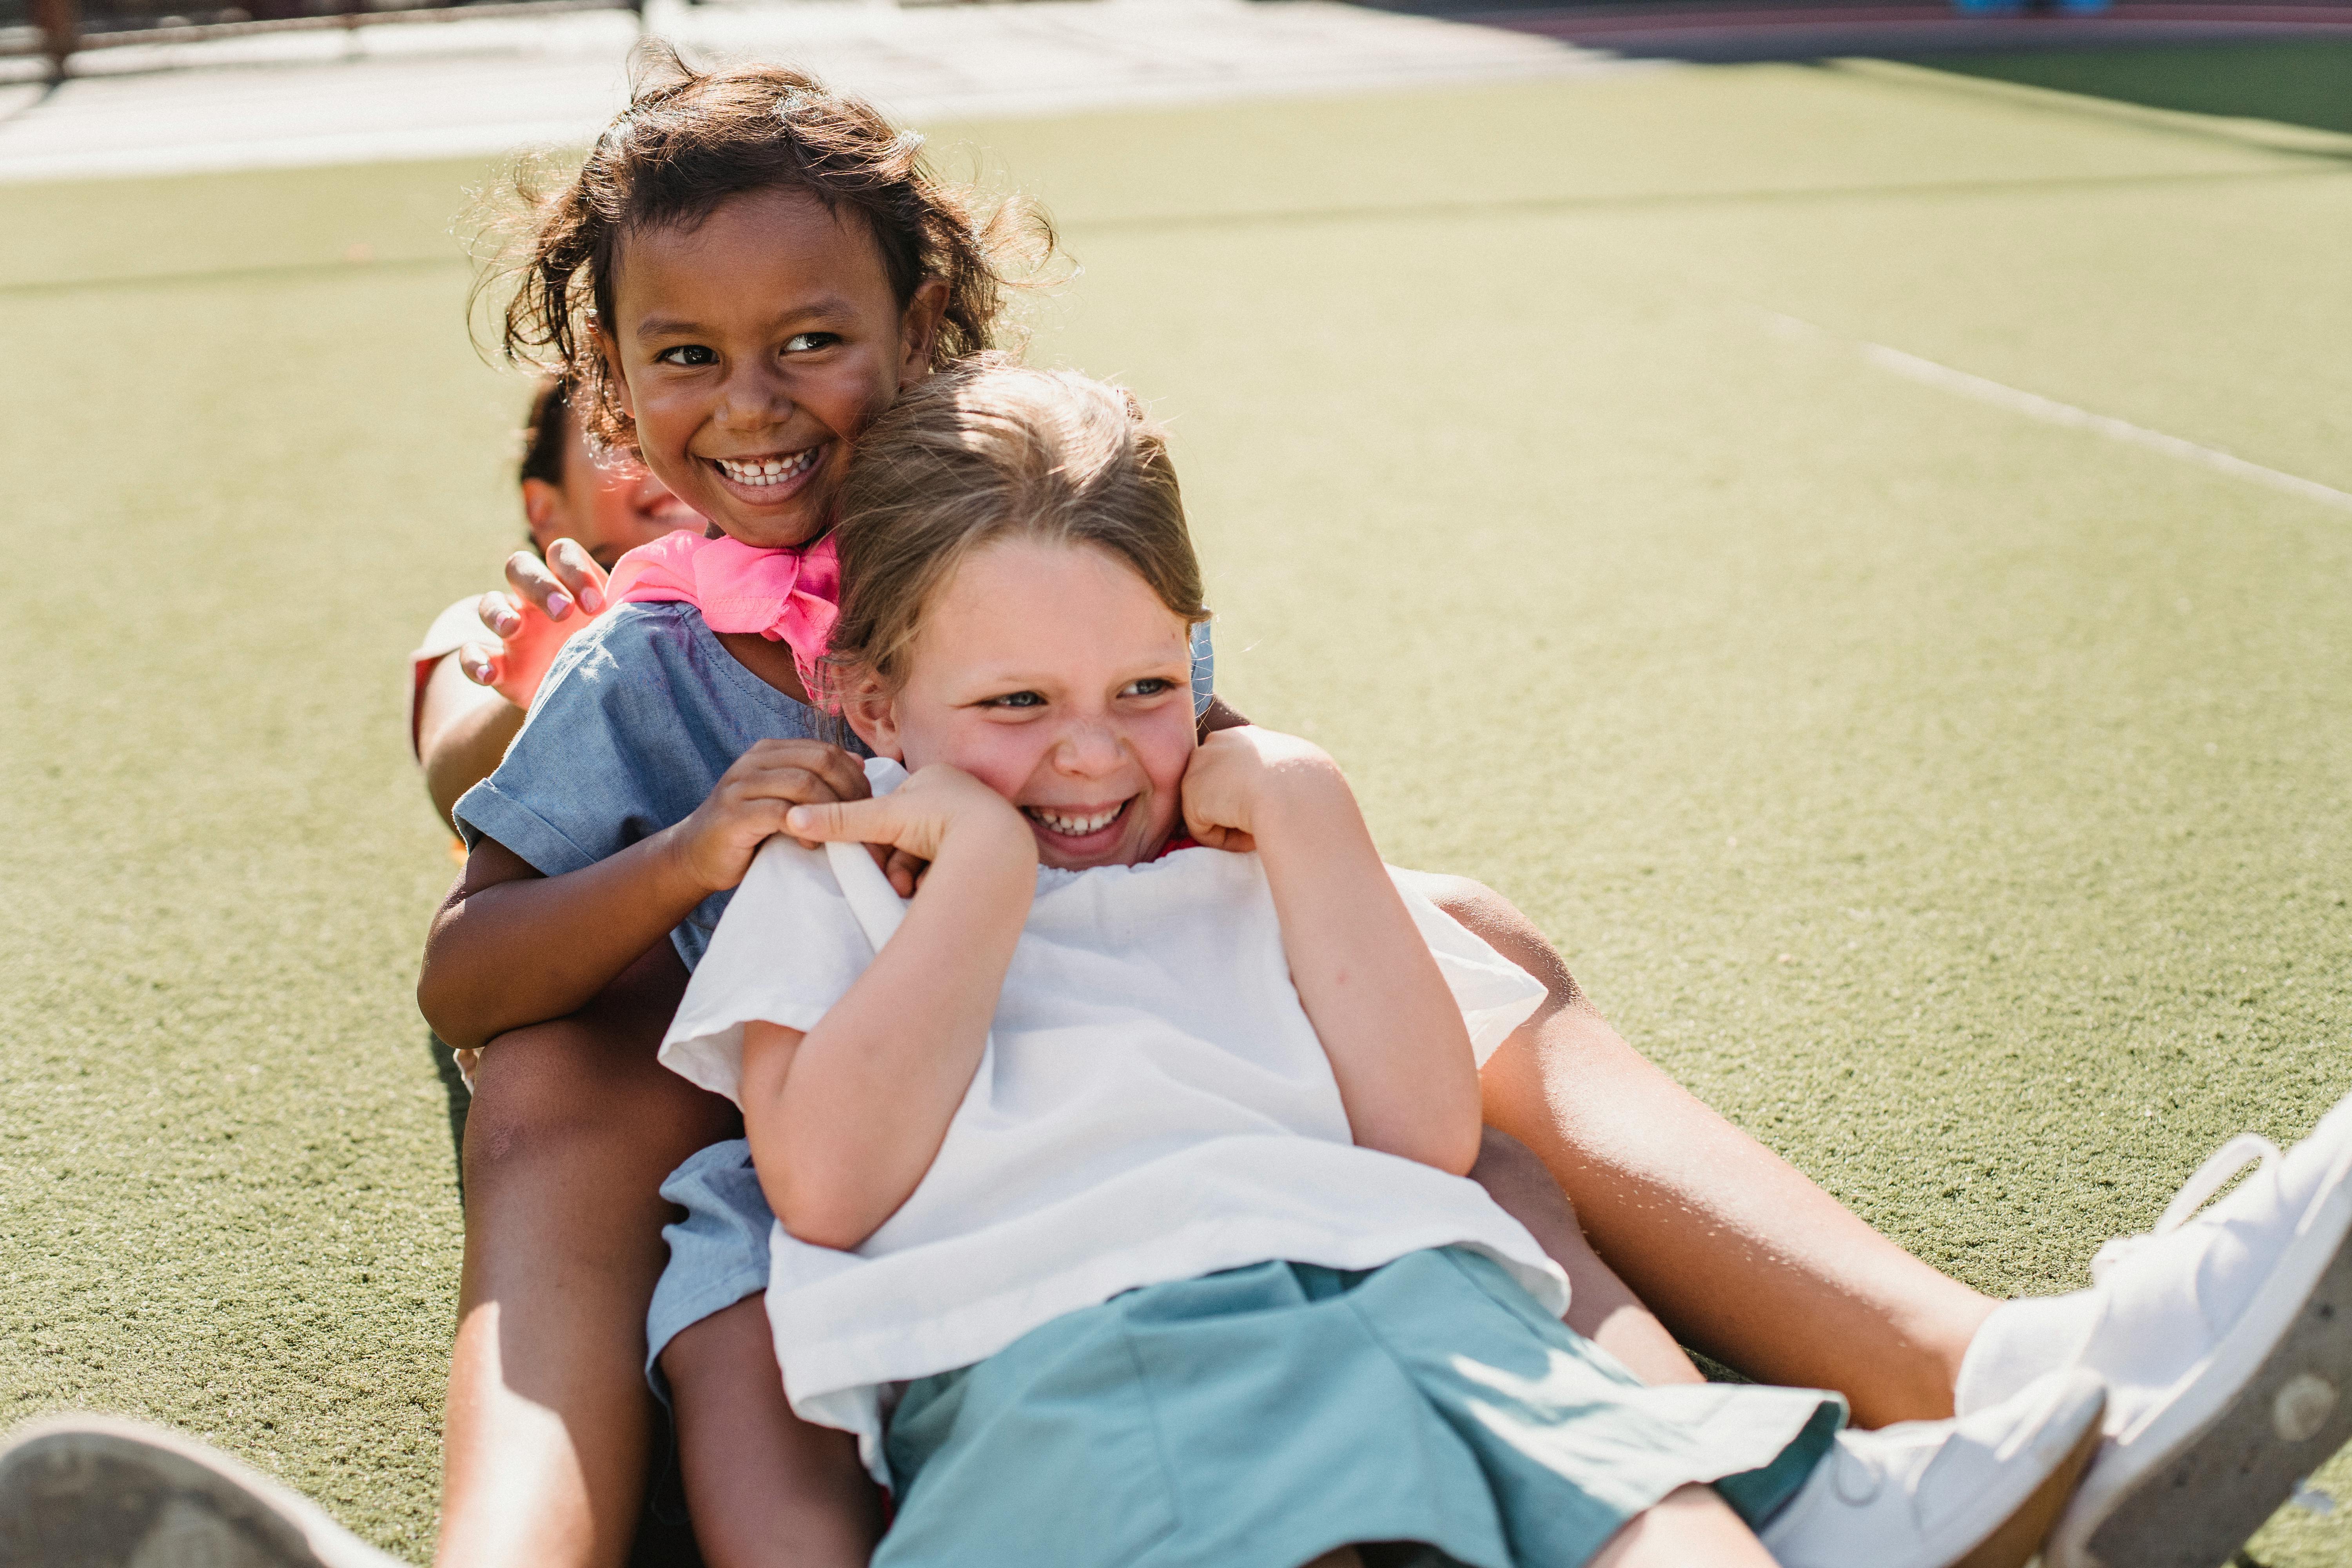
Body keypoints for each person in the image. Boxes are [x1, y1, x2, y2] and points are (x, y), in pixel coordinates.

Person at [424, 45, 2352, 1568]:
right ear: (610, 378)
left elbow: (1211, 809)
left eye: (810, 341)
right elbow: (476, 955)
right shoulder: (648, 662)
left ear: (920, 318)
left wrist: (1250, 796)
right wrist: (687, 855)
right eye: (685, 358)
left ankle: (1981, 1377)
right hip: (829, 1110)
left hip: (1116, 1054)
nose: (752, 401)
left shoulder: (1029, 528)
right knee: (565, 1101)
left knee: (1471, 965)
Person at [642, 355, 2118, 1568]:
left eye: (1146, 688)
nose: (1092, 752)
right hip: (1078, 1346)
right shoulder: (836, 875)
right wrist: (981, 876)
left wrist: (1308, 809)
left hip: (1411, 1288)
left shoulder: (1241, 849)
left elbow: (1422, 1130)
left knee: (1656, 1522)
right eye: (1017, 700)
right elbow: (827, 1190)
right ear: (870, 698)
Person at [408, 374, 701, 834]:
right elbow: (452, 786)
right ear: (544, 509)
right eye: (617, 431)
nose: (659, 448)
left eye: (681, 417)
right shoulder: (487, 628)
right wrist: (548, 689)